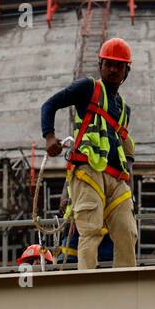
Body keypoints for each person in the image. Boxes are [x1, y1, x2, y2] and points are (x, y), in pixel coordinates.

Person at [40, 37, 138, 269]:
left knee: (127, 232)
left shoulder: (124, 109)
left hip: (116, 178)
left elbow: (124, 146)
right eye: (109, 64)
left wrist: (129, 180)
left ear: (127, 70)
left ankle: (126, 285)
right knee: (90, 231)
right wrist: (49, 136)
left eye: (119, 65)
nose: (113, 69)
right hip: (88, 172)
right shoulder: (87, 88)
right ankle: (88, 286)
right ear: (100, 65)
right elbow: (49, 105)